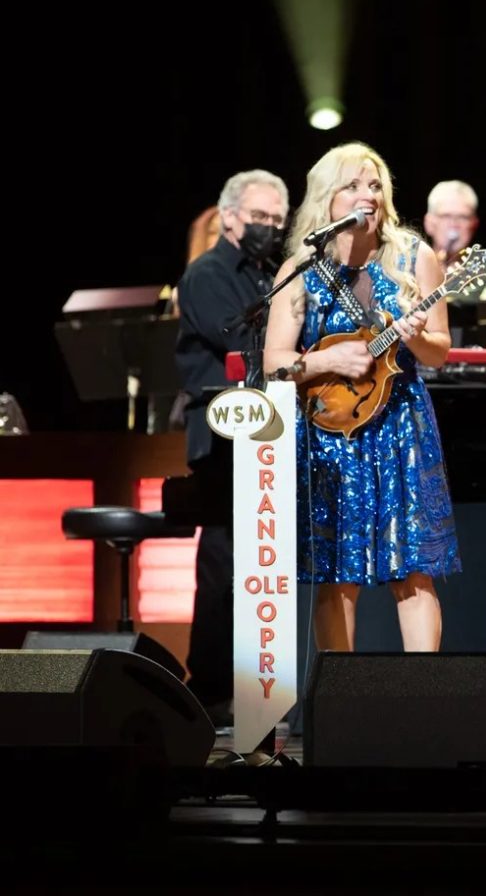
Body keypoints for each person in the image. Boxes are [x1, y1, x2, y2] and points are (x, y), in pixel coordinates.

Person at [263, 142, 459, 652]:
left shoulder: (416, 257)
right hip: (328, 432)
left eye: (374, 185)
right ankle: (337, 705)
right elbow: (273, 361)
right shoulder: (300, 270)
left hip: (400, 425)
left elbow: (438, 352)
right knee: (333, 575)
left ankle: (423, 700)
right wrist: (327, 361)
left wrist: (410, 333)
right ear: (327, 199)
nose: (366, 195)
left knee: (413, 570)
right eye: (352, 185)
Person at [173, 169, 291, 720]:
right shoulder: (208, 273)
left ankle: (255, 689)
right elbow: (243, 342)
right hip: (224, 432)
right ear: (228, 218)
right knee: (223, 560)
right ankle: (212, 688)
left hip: (269, 430)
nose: (268, 227)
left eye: (276, 220)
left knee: (259, 561)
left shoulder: (275, 275)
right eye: (259, 217)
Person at [421, 179, 486, 344]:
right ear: (429, 223)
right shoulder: (407, 275)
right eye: (446, 216)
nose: (454, 224)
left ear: (474, 224)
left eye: (463, 217)